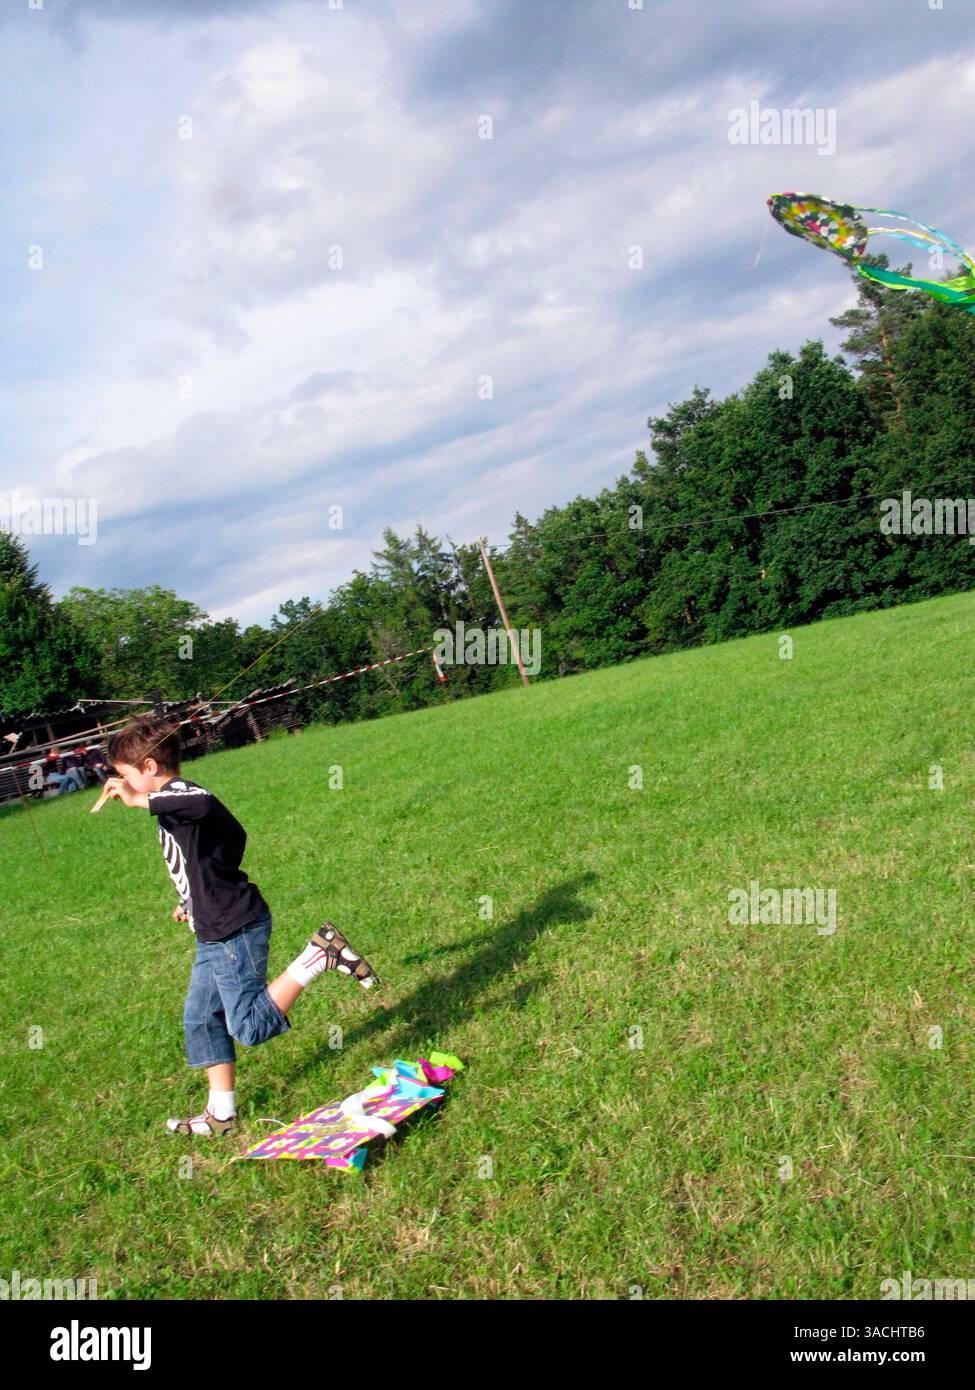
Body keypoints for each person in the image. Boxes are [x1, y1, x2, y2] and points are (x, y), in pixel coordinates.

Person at [103, 715, 381, 1138]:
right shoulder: (173, 803)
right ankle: (222, 1115)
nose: (119, 783)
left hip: (235, 928)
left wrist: (139, 801)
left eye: (124, 775)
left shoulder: (180, 793)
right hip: (212, 928)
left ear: (150, 768)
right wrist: (191, 899)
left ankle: (319, 954)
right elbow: (227, 838)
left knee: (249, 1027)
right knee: (200, 1018)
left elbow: (203, 804)